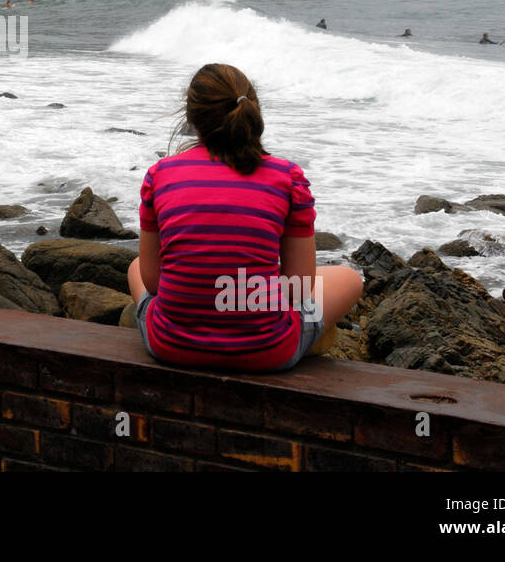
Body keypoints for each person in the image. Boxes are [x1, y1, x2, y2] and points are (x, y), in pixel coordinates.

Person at [128, 63, 363, 372]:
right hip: (268, 349)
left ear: (191, 119)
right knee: (348, 278)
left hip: (172, 345)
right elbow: (298, 288)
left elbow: (154, 282)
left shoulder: (160, 175)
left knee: (135, 266)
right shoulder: (287, 177)